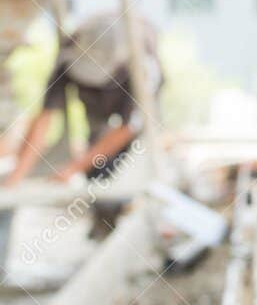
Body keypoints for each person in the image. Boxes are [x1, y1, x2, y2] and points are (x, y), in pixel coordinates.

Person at [4, 11, 161, 192]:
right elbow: (45, 117)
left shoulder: (140, 66)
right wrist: (16, 177)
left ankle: (112, 209)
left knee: (116, 172)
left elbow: (127, 128)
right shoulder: (70, 51)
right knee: (94, 168)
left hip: (129, 113)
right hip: (94, 112)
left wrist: (72, 169)